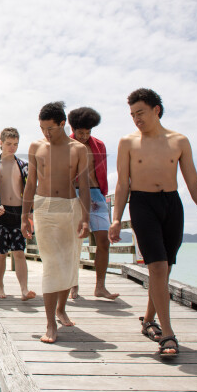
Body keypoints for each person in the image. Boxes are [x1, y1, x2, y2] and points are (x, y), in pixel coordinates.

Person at [109, 88, 197, 358]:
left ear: (156, 109)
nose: (136, 119)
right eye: (132, 115)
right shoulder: (128, 142)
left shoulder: (179, 141)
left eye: (141, 113)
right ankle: (168, 335)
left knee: (165, 268)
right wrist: (116, 219)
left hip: (172, 204)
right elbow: (123, 183)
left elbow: (192, 181)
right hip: (142, 204)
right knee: (157, 266)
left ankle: (148, 320)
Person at [21, 103, 91, 344]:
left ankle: (61, 308)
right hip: (44, 207)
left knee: (68, 261)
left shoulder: (79, 149)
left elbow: (84, 186)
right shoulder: (36, 147)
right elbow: (30, 183)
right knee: (51, 264)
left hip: (70, 207)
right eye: (41, 128)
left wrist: (86, 217)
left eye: (50, 128)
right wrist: (24, 215)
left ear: (63, 124)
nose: (45, 134)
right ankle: (50, 323)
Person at [67, 107, 119, 301]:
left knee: (103, 241)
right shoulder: (66, 145)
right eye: (81, 132)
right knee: (74, 243)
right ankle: (73, 285)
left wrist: (103, 192)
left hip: (96, 195)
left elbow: (101, 172)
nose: (84, 136)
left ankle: (100, 286)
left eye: (88, 132)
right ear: (73, 128)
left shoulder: (98, 145)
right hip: (74, 194)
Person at [0, 128, 36, 300]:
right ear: (1, 143)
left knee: (20, 251)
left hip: (19, 212)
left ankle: (24, 290)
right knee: (1, 251)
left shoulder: (24, 166)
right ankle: (0, 286)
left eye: (15, 144)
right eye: (8, 144)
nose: (12, 148)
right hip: (0, 213)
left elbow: (30, 191)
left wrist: (30, 215)